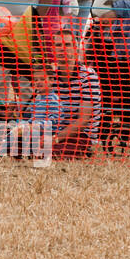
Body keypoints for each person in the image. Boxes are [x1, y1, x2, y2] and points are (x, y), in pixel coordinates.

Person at [48, 22, 101, 159]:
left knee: (48, 152)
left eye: (67, 45)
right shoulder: (50, 77)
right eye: (58, 45)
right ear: (53, 50)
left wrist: (55, 138)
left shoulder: (88, 76)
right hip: (56, 131)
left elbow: (83, 120)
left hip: (81, 135)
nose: (62, 49)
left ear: (75, 48)